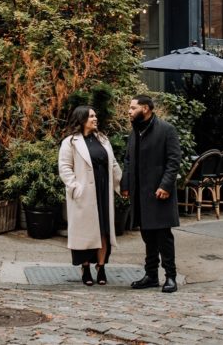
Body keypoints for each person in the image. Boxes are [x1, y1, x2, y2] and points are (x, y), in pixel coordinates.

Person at [121, 94, 182, 293]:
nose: (129, 111)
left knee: (163, 235)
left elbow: (173, 161)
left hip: (159, 192)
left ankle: (171, 277)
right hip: (140, 193)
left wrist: (165, 186)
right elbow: (128, 160)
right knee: (147, 234)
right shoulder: (134, 132)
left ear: (146, 108)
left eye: (132, 108)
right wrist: (126, 184)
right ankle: (151, 275)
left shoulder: (166, 130)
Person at [58, 105, 122, 286]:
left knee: (103, 230)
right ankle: (85, 267)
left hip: (103, 191)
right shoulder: (70, 142)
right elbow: (64, 167)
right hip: (84, 193)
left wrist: (122, 186)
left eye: (95, 115)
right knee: (85, 232)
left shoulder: (103, 139)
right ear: (82, 119)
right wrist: (75, 187)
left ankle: (101, 267)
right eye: (91, 116)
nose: (95, 119)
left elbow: (114, 164)